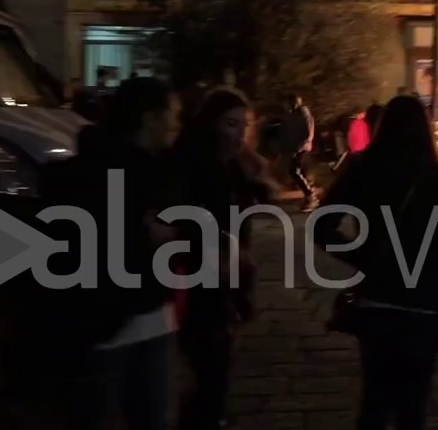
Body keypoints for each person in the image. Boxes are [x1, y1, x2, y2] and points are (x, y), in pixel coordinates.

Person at [314, 96, 438, 430]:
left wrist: (362, 257)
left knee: (375, 401)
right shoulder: (436, 180)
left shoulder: (363, 169)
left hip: (378, 298)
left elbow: (322, 225)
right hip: (424, 303)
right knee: (414, 406)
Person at [44, 77, 182, 430]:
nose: (177, 124)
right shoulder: (90, 174)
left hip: (151, 319)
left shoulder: (159, 170)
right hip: (105, 325)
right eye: (173, 114)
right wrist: (145, 235)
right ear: (150, 118)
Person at [173, 88, 276, 430]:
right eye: (231, 124)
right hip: (194, 281)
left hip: (225, 281)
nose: (239, 133)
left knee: (216, 372)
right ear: (211, 124)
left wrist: (255, 172)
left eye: (244, 125)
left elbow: (256, 203)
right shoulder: (191, 164)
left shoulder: (232, 166)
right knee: (208, 371)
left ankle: (210, 415)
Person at [281, 92, 317, 210]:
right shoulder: (292, 115)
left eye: (288, 103)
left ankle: (311, 197)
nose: (286, 106)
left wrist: (300, 147)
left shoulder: (303, 114)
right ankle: (310, 196)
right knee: (296, 172)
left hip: (302, 148)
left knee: (295, 171)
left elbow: (308, 132)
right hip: (296, 147)